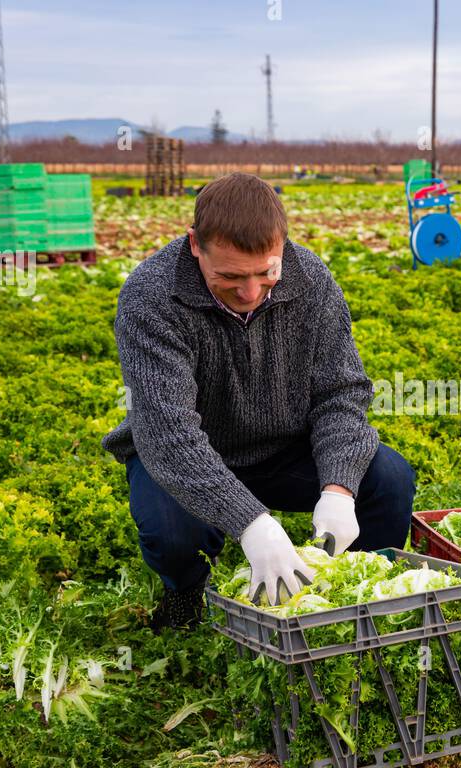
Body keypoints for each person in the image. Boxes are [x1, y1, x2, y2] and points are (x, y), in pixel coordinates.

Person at [101, 173, 415, 630]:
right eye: (229, 276)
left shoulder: (311, 281)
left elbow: (340, 392)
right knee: (173, 533)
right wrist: (250, 522)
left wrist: (339, 487)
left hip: (284, 451)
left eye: (265, 273)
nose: (250, 293)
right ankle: (185, 596)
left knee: (388, 478)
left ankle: (359, 594)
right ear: (195, 245)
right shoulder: (151, 296)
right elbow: (168, 431)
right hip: (184, 454)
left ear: (282, 247)